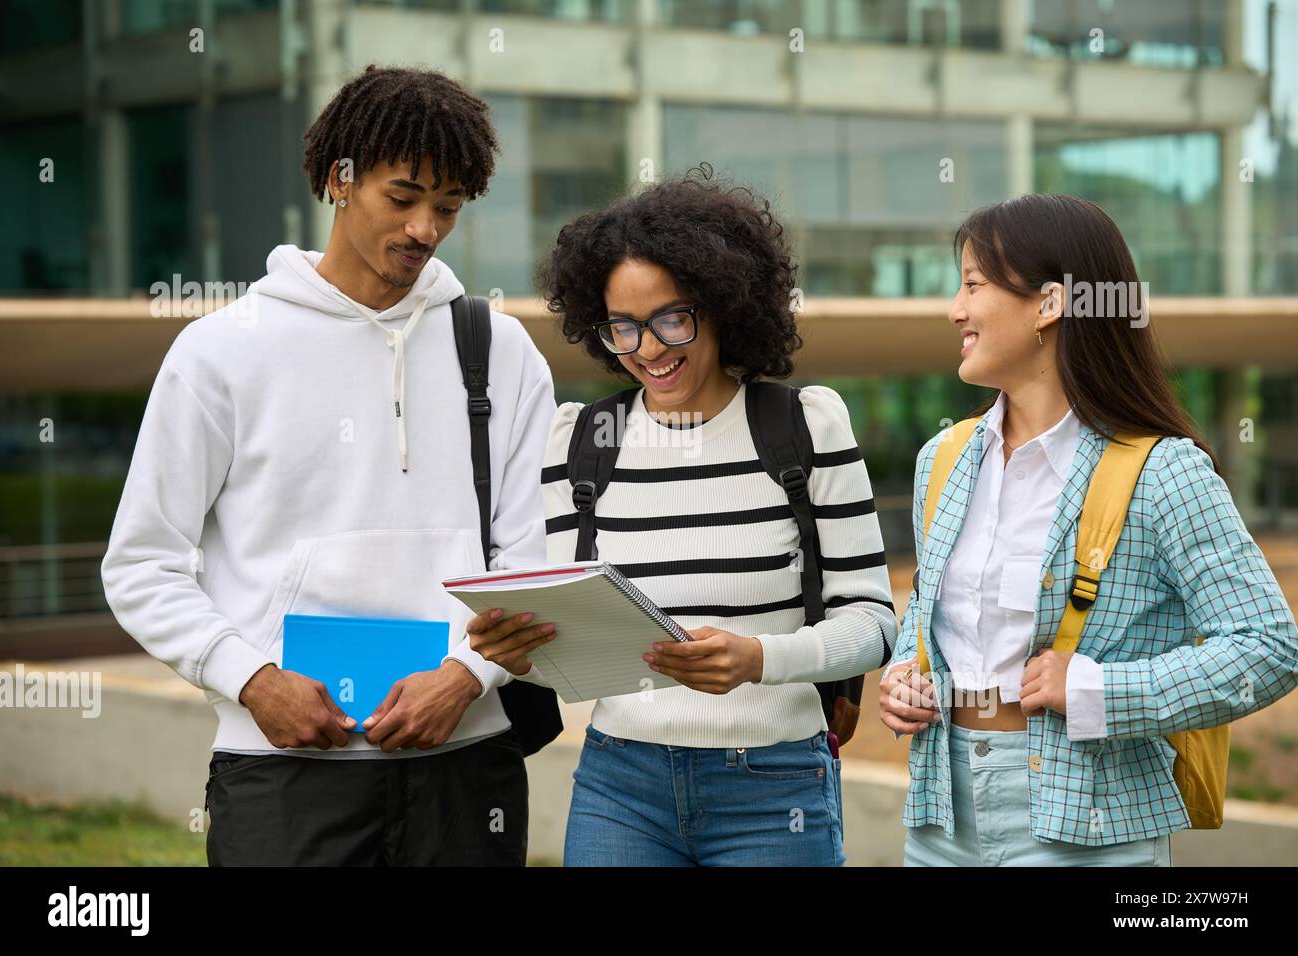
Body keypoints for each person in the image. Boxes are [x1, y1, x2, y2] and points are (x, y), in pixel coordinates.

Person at [101, 65, 557, 866]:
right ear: (339, 180)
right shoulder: (221, 352)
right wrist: (251, 680)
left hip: (466, 762)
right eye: (404, 196)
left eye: (448, 207)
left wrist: (464, 677)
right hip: (280, 770)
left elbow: (533, 561)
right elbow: (143, 564)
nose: (426, 228)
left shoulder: (500, 351)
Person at [466, 165, 897, 866]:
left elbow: (874, 623)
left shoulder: (805, 427)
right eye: (622, 328)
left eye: (671, 318)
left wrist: (760, 659)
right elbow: (565, 654)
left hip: (774, 784)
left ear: (725, 303)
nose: (649, 349)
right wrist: (522, 653)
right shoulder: (576, 443)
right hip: (620, 783)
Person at [878, 193, 1298, 866]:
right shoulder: (943, 460)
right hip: (939, 817)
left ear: (1048, 304)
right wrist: (906, 672)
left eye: (974, 285)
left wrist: (1102, 692)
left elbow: (1269, 646)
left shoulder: (1163, 472)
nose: (954, 309)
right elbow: (929, 611)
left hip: (1088, 825)